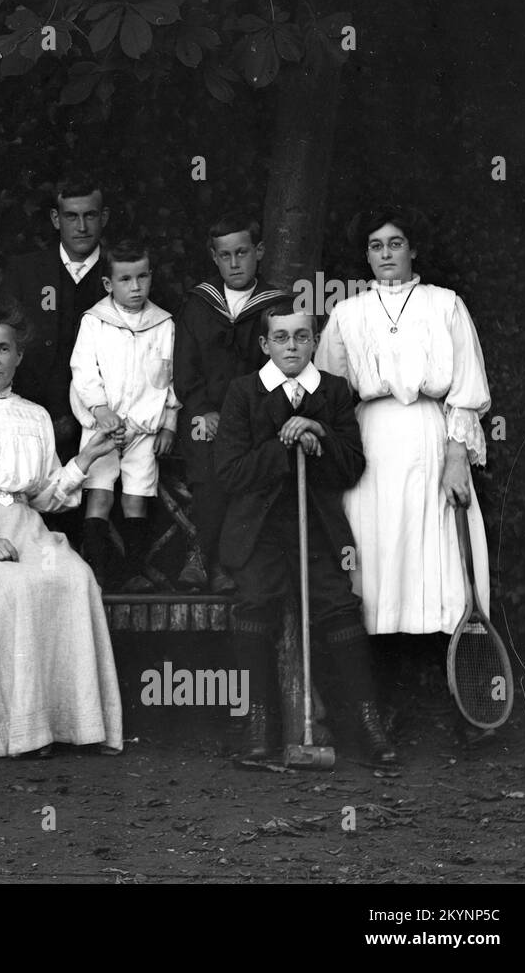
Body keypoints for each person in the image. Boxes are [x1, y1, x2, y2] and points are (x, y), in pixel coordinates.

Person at [314, 207, 493, 744]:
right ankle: (379, 711)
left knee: (438, 566)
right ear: (365, 254)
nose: (386, 253)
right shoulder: (348, 313)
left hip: (431, 442)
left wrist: (457, 455)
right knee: (377, 566)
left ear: (413, 249)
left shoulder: (445, 305)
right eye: (375, 245)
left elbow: (467, 383)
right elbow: (329, 388)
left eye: (395, 242)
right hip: (371, 446)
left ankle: (459, 704)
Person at [0, 299, 124, 760]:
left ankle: (71, 724)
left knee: (74, 579)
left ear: (18, 355)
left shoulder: (34, 415)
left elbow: (45, 494)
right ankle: (21, 730)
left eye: (4, 349)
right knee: (14, 589)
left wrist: (88, 457)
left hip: (28, 527)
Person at [215, 304, 397, 764]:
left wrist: (318, 431)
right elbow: (231, 473)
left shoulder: (333, 392)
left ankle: (368, 724)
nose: (291, 346)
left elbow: (352, 466)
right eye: (280, 338)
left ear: (315, 341)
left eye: (300, 337)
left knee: (338, 606)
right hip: (260, 532)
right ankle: (261, 724)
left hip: (316, 530)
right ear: (265, 344)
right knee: (255, 602)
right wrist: (286, 443)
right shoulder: (244, 393)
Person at [172, 212, 290, 593]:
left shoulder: (277, 306)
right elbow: (186, 369)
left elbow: (282, 367)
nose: (234, 263)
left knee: (245, 469)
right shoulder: (198, 304)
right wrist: (205, 410)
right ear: (214, 257)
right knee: (207, 470)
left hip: (256, 418)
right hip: (204, 415)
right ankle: (207, 557)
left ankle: (219, 558)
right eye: (225, 255)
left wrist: (244, 417)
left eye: (242, 252)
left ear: (259, 251)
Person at [70, 239, 179, 591]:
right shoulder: (95, 322)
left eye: (142, 277)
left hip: (144, 429)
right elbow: (83, 371)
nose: (135, 287)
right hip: (103, 427)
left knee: (136, 498)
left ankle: (133, 571)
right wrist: (101, 411)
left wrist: (169, 423)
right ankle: (98, 571)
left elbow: (170, 377)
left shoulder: (163, 324)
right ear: (108, 284)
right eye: (125, 280)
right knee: (99, 495)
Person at [1, 179, 111, 467]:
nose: (82, 227)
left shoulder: (123, 271)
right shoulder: (25, 272)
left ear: (104, 217)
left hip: (107, 423)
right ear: (55, 218)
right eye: (71, 216)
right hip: (35, 419)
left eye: (90, 215)